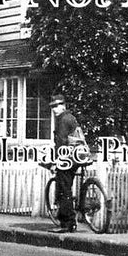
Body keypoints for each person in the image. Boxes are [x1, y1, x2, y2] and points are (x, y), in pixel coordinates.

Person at [50, 94, 81, 233]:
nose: (54, 109)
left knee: (64, 189)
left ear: (63, 105)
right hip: (78, 156)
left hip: (68, 157)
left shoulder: (63, 119)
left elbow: (61, 141)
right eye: (52, 106)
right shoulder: (71, 117)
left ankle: (68, 223)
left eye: (57, 106)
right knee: (66, 186)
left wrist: (56, 161)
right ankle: (68, 219)